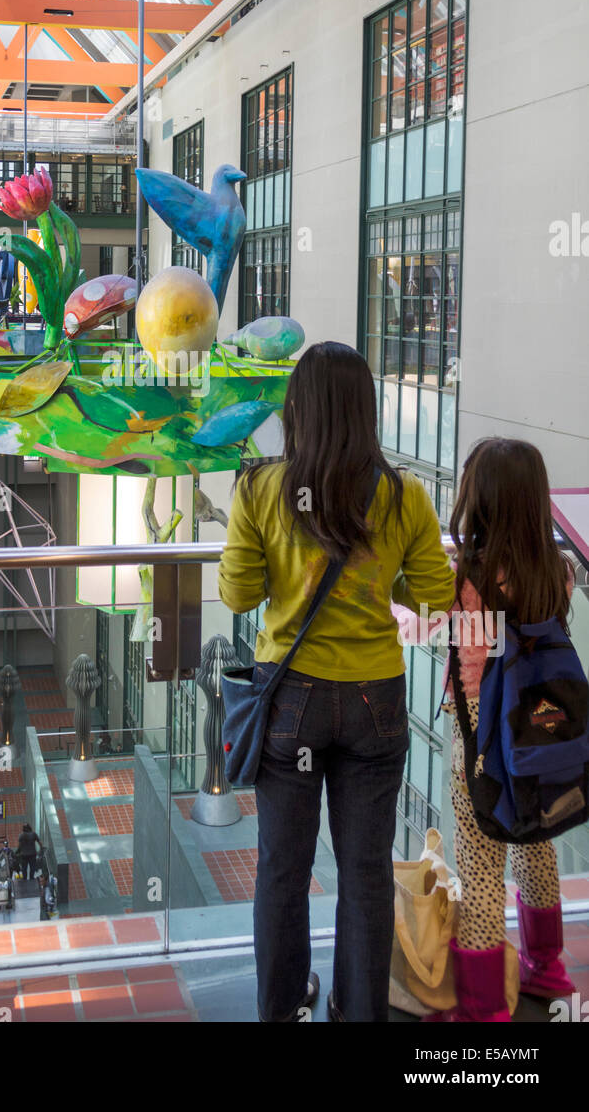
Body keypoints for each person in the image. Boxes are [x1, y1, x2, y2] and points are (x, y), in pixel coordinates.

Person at [218, 341, 455, 1022]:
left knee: (283, 872)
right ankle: (360, 1012)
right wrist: (386, 576)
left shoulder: (262, 488)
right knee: (368, 872)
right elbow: (436, 602)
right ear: (365, 411)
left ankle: (284, 1006)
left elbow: (237, 594)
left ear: (298, 410)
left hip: (290, 704)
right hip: (375, 703)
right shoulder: (404, 494)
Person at [427, 438, 575, 1022]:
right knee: (538, 846)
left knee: (482, 861)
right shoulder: (557, 568)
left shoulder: (466, 573)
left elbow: (428, 613)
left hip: (479, 736)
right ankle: (549, 969)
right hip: (542, 730)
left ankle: (484, 1007)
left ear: (479, 498)